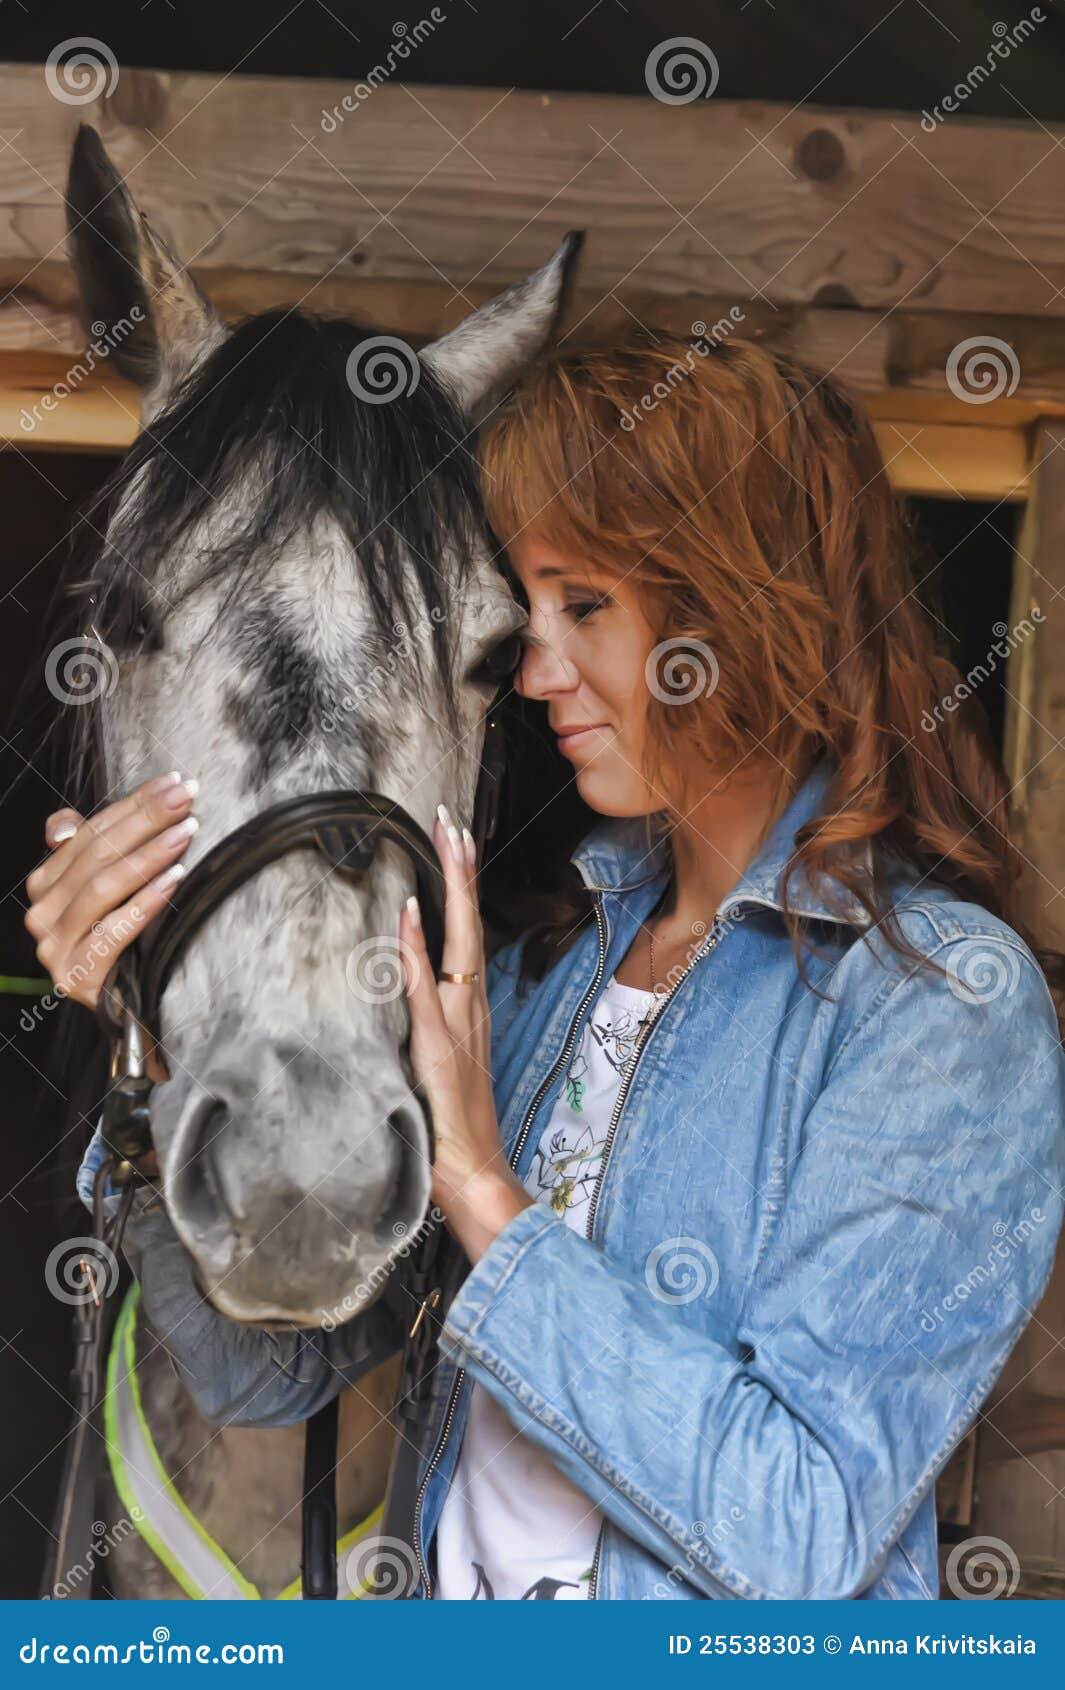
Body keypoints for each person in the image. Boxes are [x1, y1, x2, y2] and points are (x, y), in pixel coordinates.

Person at [31, 328, 1065, 1601]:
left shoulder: (941, 1010)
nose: (533, 672)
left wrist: (483, 1189)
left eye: (585, 608)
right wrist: (143, 1042)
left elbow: (799, 1532)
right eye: (529, 614)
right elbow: (270, 1373)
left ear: (753, 615)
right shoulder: (536, 982)